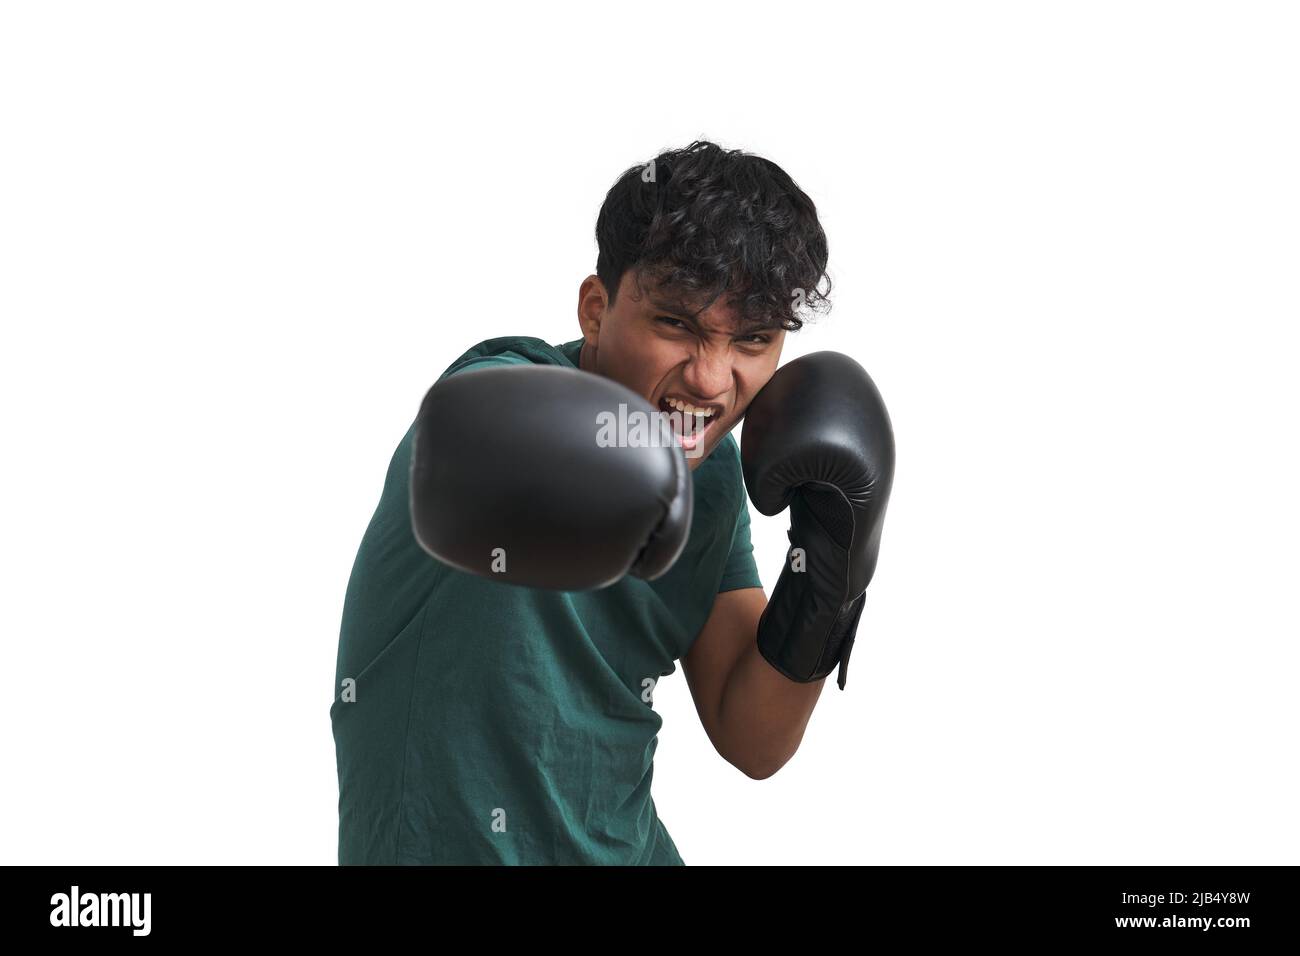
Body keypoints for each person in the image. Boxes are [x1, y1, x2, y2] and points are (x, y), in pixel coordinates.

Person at [331, 140, 894, 865]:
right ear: (596, 310)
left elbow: (752, 736)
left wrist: (832, 574)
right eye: (677, 324)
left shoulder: (712, 476)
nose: (711, 379)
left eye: (752, 339)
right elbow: (480, 446)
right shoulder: (497, 390)